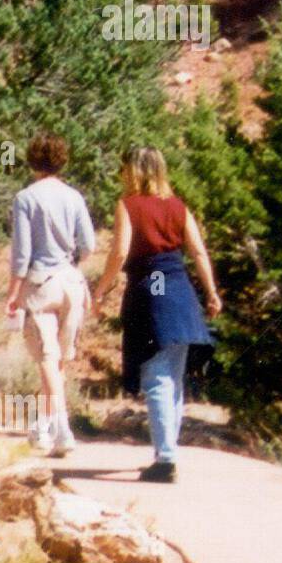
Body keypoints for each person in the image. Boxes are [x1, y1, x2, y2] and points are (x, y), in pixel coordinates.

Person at [92, 146, 221, 484]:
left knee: (156, 377)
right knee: (172, 378)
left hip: (152, 289)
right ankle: (168, 451)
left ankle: (165, 459)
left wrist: (101, 290)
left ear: (132, 171)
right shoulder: (178, 206)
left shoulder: (128, 206)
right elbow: (197, 251)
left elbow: (120, 252)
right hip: (179, 290)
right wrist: (211, 292)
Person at [4, 134, 95, 458]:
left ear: (32, 161)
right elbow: (89, 245)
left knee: (45, 358)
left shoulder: (25, 198)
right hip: (71, 281)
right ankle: (43, 427)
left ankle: (61, 427)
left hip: (40, 284)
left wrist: (13, 293)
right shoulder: (74, 196)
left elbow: (22, 253)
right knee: (58, 360)